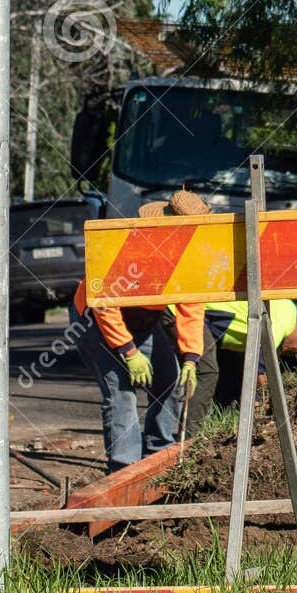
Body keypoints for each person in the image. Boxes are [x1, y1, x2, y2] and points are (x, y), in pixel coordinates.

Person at [70, 191, 207, 470]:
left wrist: (191, 357)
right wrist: (129, 351)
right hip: (96, 319)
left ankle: (160, 454)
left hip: (143, 319)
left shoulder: (186, 257)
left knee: (169, 378)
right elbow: (105, 304)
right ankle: (125, 467)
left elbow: (191, 307)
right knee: (121, 393)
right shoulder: (129, 249)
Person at [179, 297, 297, 427]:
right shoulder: (286, 315)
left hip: (210, 325)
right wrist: (265, 397)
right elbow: (261, 356)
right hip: (196, 314)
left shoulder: (284, 309)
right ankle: (189, 435)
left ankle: (224, 421)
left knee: (232, 376)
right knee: (208, 373)